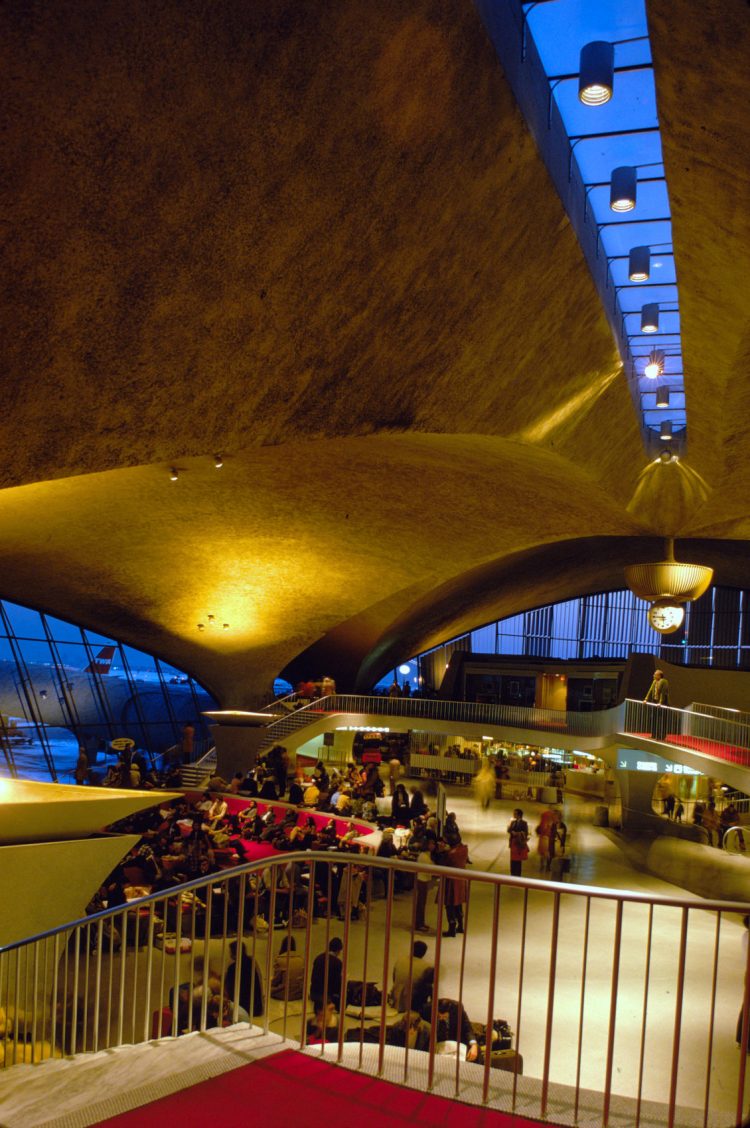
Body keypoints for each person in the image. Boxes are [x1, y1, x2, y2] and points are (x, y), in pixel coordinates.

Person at [224, 940, 264, 1018]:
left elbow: (229, 987)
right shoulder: (252, 962)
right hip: (256, 1008)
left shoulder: (233, 967)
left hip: (243, 1008)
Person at [390, 941, 432, 1013]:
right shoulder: (426, 966)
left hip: (395, 998)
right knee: (429, 987)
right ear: (424, 953)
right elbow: (429, 987)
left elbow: (394, 979)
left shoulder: (400, 960)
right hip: (412, 1003)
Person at [309, 937, 343, 1008]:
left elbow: (313, 978)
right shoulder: (338, 963)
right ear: (338, 950)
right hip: (328, 996)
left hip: (314, 993)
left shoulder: (318, 958)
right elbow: (337, 984)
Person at [270, 936, 305, 1000]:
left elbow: (276, 981)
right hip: (298, 994)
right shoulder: (301, 960)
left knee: (269, 989)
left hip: (284, 994)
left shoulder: (279, 960)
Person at [643, 669, 670, 739]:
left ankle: (661, 736)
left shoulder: (664, 681)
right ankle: (654, 735)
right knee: (654, 718)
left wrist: (660, 702)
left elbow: (663, 693)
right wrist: (646, 699)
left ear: (659, 676)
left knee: (662, 719)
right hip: (655, 702)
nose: (653, 675)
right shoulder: (654, 681)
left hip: (663, 703)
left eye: (655, 674)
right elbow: (650, 690)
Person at [508, 809, 529, 877]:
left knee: (518, 859)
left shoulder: (524, 823)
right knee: (512, 858)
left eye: (515, 814)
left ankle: (518, 874)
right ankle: (512, 873)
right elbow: (509, 830)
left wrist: (518, 833)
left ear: (519, 815)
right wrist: (511, 831)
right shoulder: (513, 822)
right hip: (513, 842)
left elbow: (526, 832)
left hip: (519, 843)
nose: (514, 815)